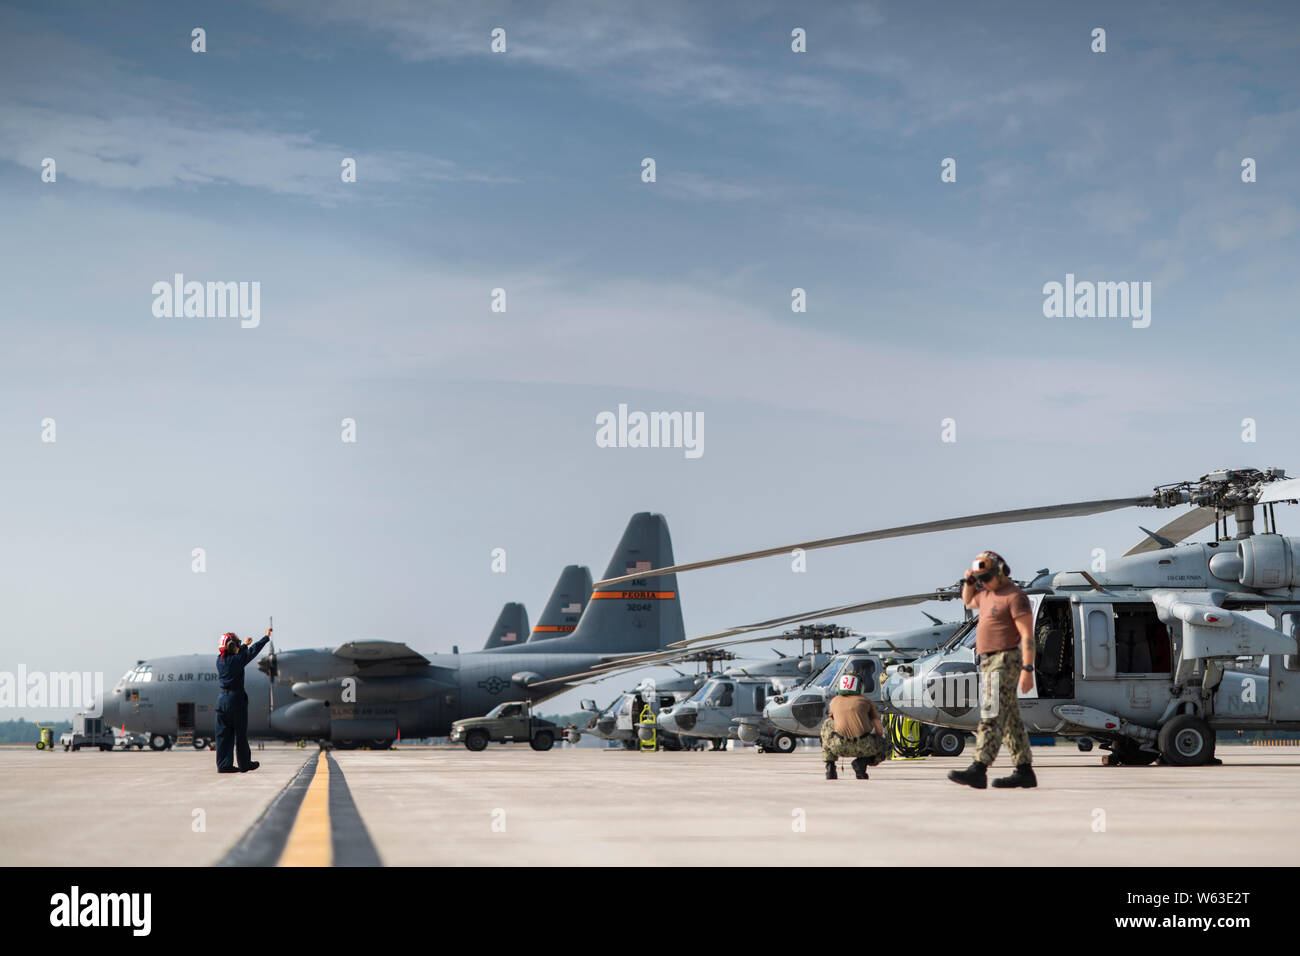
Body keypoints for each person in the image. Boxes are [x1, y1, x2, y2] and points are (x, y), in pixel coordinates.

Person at [948, 551, 1038, 789]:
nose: (984, 582)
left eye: (987, 577)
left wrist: (1028, 668)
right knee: (1010, 720)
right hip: (987, 661)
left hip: (1005, 659)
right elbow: (968, 601)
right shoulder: (986, 595)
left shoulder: (1015, 597)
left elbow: (1027, 636)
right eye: (981, 580)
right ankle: (1024, 770)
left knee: (991, 712)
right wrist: (969, 581)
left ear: (1001, 571)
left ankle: (979, 768)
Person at [215, 627, 272, 774]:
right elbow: (252, 651)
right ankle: (244, 764)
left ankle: (224, 765)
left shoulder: (219, 661)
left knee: (223, 734)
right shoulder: (237, 660)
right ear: (231, 646)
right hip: (236, 699)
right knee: (240, 733)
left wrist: (242, 647)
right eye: (236, 644)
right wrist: (265, 637)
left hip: (222, 700)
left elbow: (240, 654)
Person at [821, 674, 887, 780]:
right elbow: (879, 729)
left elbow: (833, 723)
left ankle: (830, 768)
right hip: (864, 746)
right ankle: (861, 763)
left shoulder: (834, 701)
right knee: (887, 745)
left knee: (827, 725)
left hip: (839, 746)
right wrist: (877, 739)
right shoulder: (866, 701)